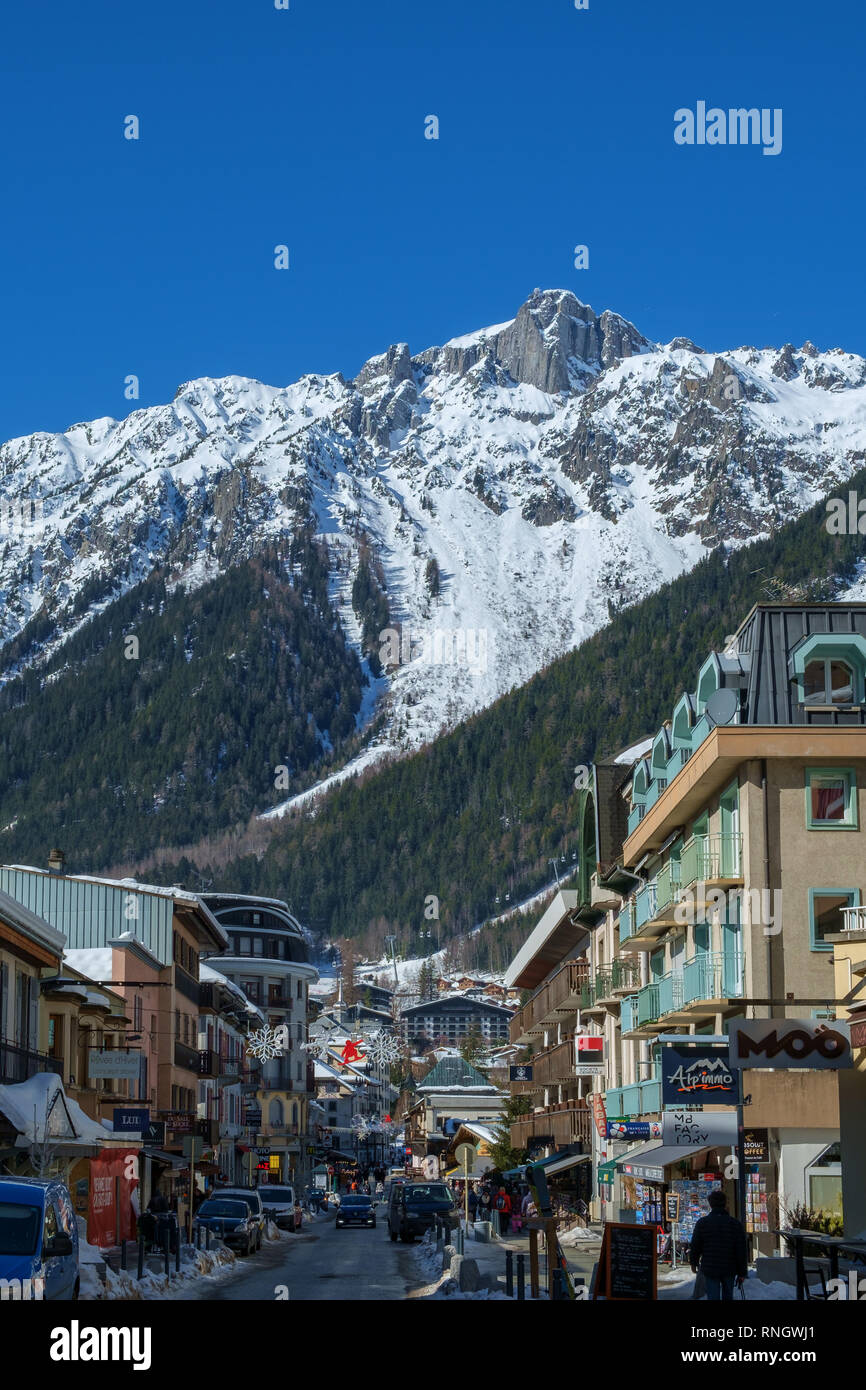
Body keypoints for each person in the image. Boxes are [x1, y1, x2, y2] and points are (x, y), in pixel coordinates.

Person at [690, 1190, 748, 1301]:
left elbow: (696, 1245)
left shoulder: (703, 1223)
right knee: (728, 1295)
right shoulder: (735, 1224)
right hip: (729, 1267)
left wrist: (694, 1262)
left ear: (710, 1204)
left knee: (712, 1296)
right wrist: (742, 1272)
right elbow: (741, 1249)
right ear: (725, 1203)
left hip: (710, 1266)